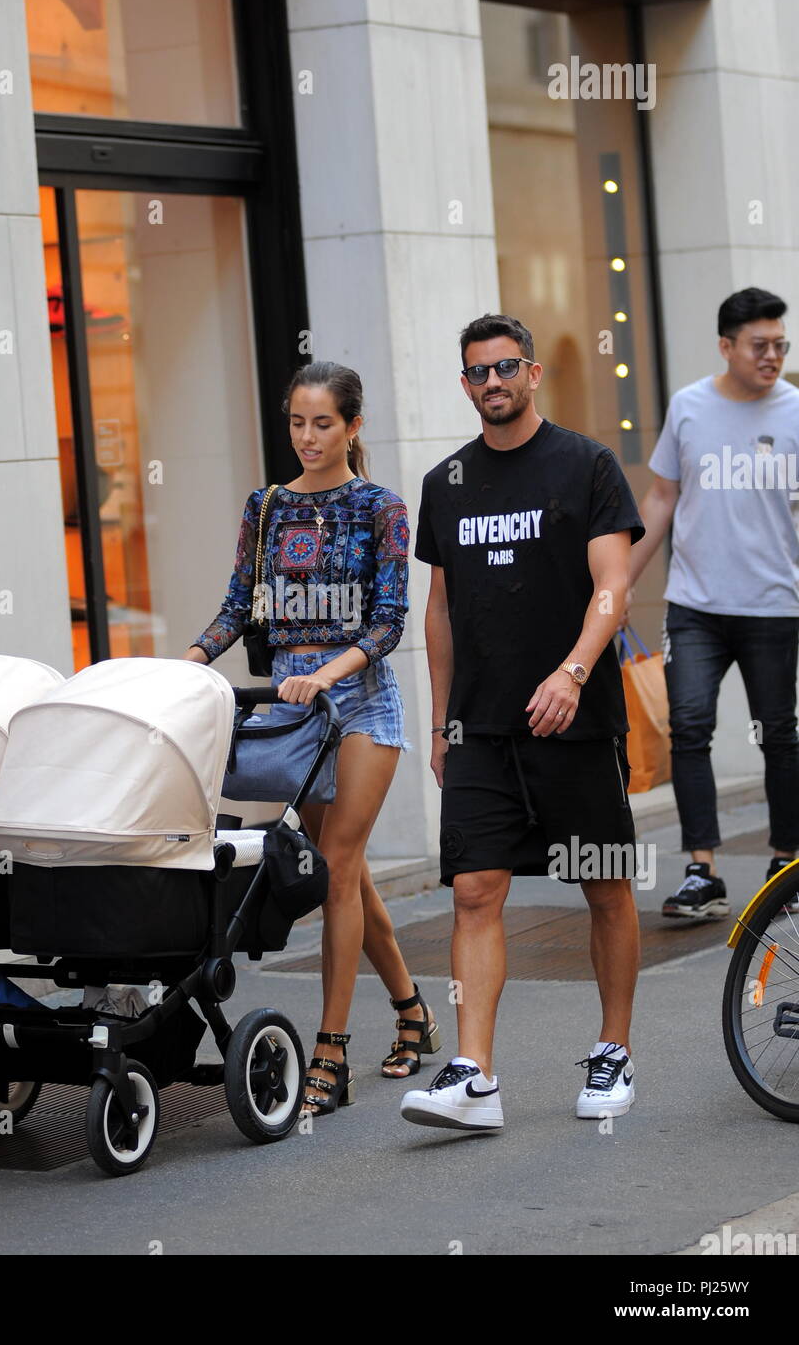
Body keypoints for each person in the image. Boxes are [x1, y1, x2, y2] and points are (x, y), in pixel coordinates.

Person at [400, 313, 645, 1134]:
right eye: (478, 372)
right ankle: (476, 1076)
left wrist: (575, 671)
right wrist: (441, 724)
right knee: (475, 891)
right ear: (464, 384)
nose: (493, 382)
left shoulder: (586, 467)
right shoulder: (447, 483)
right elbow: (440, 610)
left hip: (573, 722)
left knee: (603, 885)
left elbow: (614, 586)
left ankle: (613, 1048)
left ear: (533, 374)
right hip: (481, 727)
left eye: (506, 368)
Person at [185, 361, 440, 1115]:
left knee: (339, 866)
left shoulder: (380, 509)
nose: (307, 437)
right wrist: (191, 661)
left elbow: (389, 622)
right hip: (291, 712)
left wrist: (328, 673)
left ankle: (332, 1050)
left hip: (358, 704)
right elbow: (239, 605)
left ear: (353, 426)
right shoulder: (265, 508)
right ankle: (413, 1014)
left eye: (323, 423)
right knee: (345, 876)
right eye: (297, 422)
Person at [628, 288, 799, 920]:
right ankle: (703, 871)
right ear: (726, 346)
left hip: (774, 603)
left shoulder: (795, 411)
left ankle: (788, 863)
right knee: (690, 728)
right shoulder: (691, 407)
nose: (773, 356)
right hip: (695, 605)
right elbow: (661, 499)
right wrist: (619, 584)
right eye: (760, 345)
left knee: (779, 734)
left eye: (781, 344)